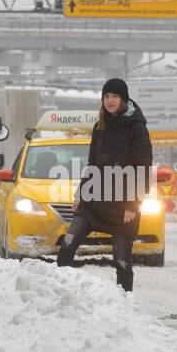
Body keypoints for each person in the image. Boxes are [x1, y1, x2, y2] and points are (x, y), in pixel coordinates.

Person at [57, 78, 153, 292]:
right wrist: (81, 194)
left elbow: (143, 166)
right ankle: (61, 295)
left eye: (115, 96)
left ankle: (125, 304)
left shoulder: (137, 128)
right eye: (106, 96)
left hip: (122, 205)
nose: (110, 101)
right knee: (68, 244)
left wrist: (133, 204)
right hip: (94, 199)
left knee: (122, 261)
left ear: (124, 99)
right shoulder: (99, 127)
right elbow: (92, 164)